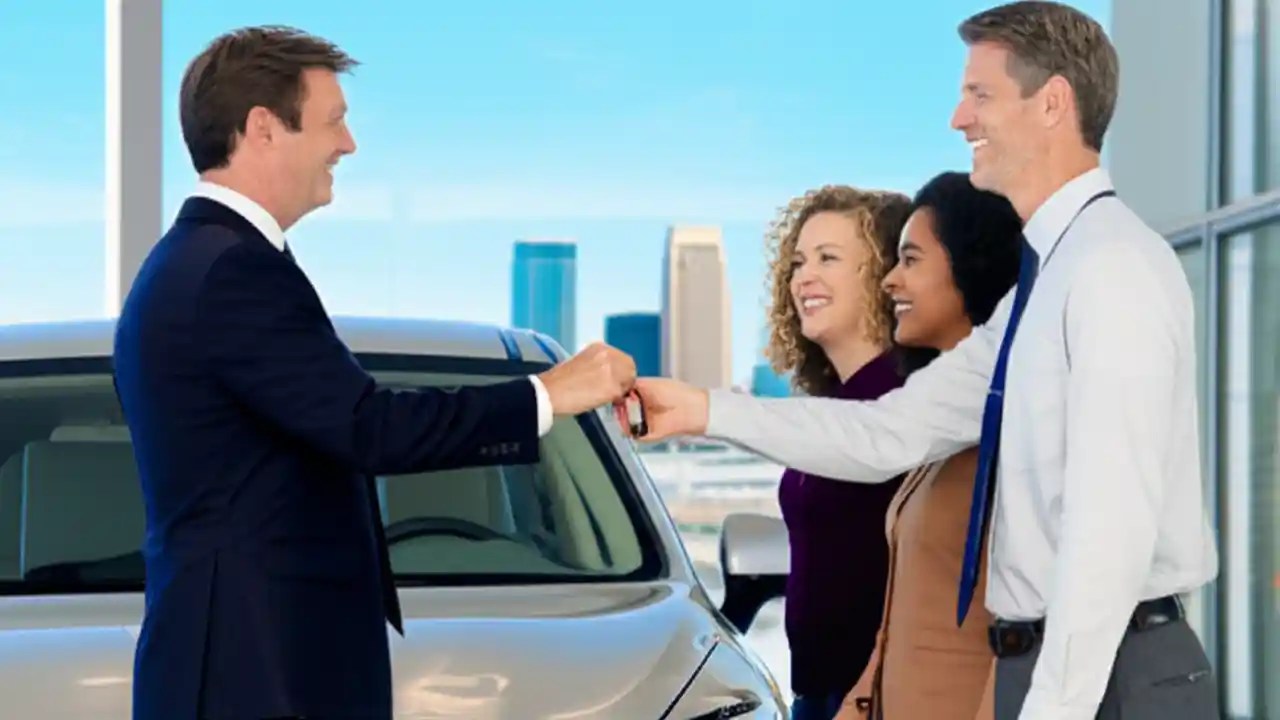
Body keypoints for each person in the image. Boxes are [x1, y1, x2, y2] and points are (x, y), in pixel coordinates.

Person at [631, 3, 1220, 718]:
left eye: (980, 95)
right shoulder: (1043, 286)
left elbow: (1111, 532)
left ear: (1052, 104)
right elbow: (889, 431)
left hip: (1109, 675)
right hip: (1055, 667)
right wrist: (702, 410)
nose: (958, 119)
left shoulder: (1111, 269)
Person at [113, 26, 634, 720]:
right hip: (257, 676)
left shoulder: (196, 263)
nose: (348, 144)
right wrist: (547, 393)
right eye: (333, 121)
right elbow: (367, 426)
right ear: (263, 128)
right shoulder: (232, 271)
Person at [833, 171, 1022, 720]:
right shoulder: (935, 430)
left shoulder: (1011, 431)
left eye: (911, 260)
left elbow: (1025, 633)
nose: (890, 281)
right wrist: (859, 701)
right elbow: (906, 615)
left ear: (970, 267)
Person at [758, 185, 912, 720]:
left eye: (828, 258)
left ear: (884, 275)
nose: (804, 277)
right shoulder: (836, 404)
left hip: (876, 698)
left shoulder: (904, 403)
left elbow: (920, 576)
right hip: (819, 694)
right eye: (799, 261)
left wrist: (867, 691)